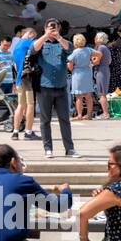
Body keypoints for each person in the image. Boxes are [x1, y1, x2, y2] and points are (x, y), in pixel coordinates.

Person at [33, 19, 78, 159]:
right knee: (45, 120)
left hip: (61, 87)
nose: (52, 29)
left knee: (64, 119)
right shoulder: (41, 43)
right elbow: (32, 49)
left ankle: (69, 149)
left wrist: (58, 37)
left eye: (55, 27)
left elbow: (69, 49)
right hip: (44, 86)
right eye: (50, 27)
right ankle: (48, 148)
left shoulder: (63, 42)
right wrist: (46, 35)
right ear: (45, 28)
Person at [10, 27, 38, 141]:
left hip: (19, 79)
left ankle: (15, 132)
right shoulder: (28, 42)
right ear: (30, 34)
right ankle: (28, 132)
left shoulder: (17, 45)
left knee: (21, 106)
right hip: (26, 79)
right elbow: (38, 46)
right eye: (34, 36)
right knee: (30, 104)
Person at [68, 34, 95, 121]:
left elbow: (70, 65)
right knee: (88, 95)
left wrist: (71, 69)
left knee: (78, 96)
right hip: (87, 73)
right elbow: (99, 54)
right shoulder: (88, 50)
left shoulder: (74, 52)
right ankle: (89, 114)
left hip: (77, 74)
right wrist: (94, 62)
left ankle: (79, 115)